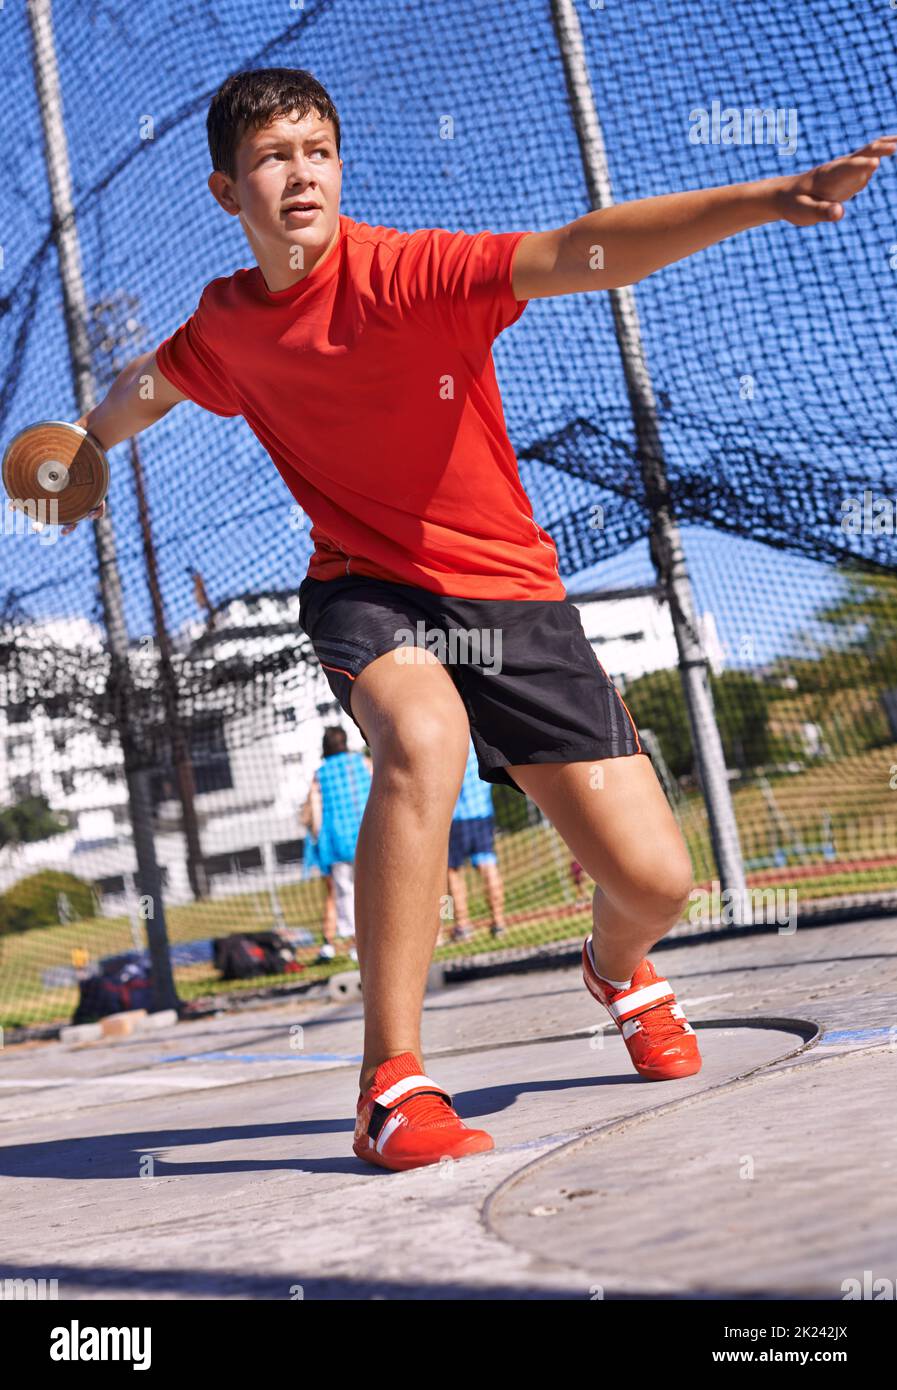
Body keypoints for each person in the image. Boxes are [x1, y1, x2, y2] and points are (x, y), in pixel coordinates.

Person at [64, 66, 895, 1171]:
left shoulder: (410, 272)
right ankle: (391, 1084)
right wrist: (82, 444)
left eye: (317, 150)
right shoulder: (228, 324)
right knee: (423, 740)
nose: (300, 171)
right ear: (230, 192)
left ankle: (615, 968)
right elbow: (146, 386)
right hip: (367, 585)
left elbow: (584, 247)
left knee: (653, 881)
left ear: (340, 168)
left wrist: (765, 196)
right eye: (273, 156)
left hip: (508, 596)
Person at [299, 726, 371, 964]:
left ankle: (355, 944)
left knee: (345, 894)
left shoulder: (321, 774)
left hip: (338, 843)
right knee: (372, 889)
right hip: (367, 835)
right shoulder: (361, 762)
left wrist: (318, 842)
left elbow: (315, 813)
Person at [440, 737, 506, 945]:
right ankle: (499, 922)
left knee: (452, 873)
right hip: (481, 814)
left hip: (454, 818)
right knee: (488, 866)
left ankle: (462, 925)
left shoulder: (444, 737)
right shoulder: (476, 737)